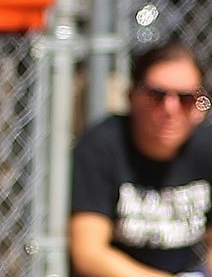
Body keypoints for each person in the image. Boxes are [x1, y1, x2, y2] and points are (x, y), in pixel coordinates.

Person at [69, 41, 212, 276]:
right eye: (156, 96)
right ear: (131, 97)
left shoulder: (207, 148)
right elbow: (89, 254)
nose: (170, 109)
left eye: (186, 99)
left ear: (200, 107)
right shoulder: (102, 146)